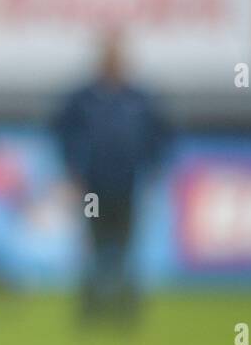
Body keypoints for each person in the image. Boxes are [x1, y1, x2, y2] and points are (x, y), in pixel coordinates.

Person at [53, 31, 173, 326]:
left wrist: (154, 164)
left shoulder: (138, 99)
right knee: (92, 247)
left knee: (125, 248)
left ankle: (125, 312)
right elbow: (62, 131)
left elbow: (162, 134)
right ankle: (91, 311)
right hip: (93, 186)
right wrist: (72, 168)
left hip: (127, 184)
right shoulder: (84, 98)